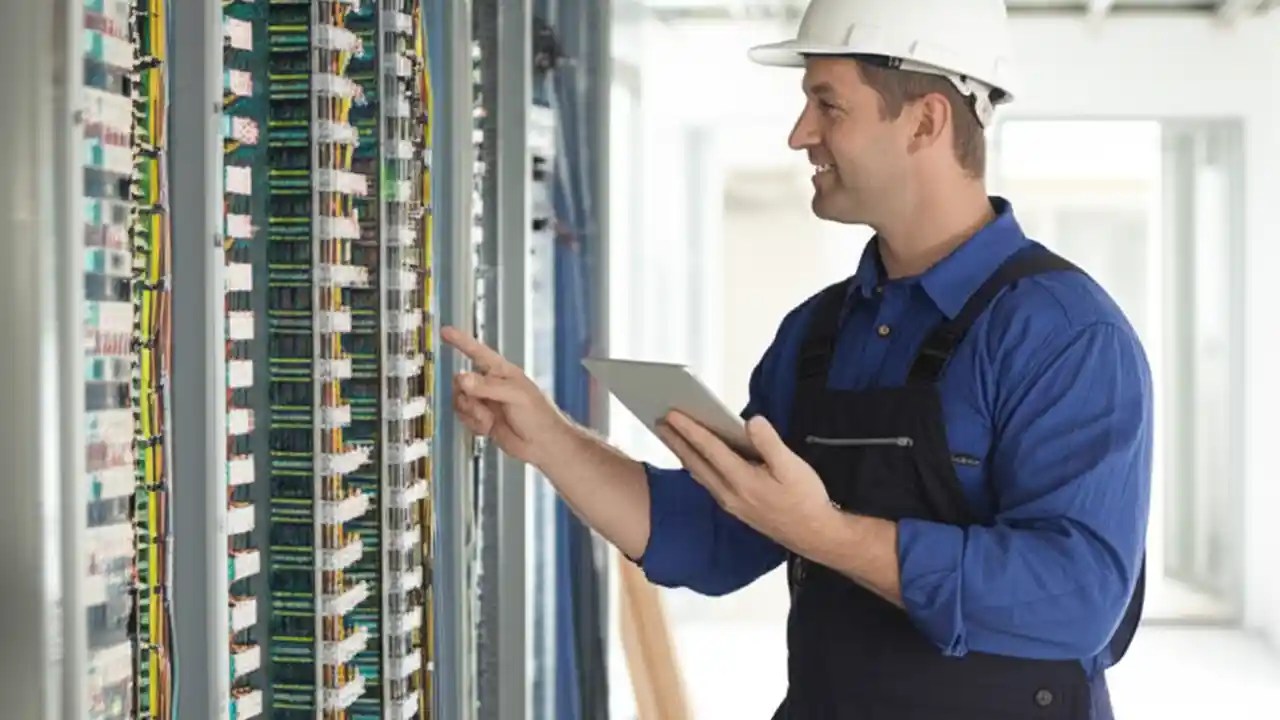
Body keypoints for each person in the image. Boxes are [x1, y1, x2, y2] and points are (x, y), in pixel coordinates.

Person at [441, 0, 1153, 717]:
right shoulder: (817, 332)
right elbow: (717, 539)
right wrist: (546, 439)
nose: (799, 134)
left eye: (827, 105)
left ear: (926, 121)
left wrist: (829, 535)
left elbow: (1078, 597)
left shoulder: (1063, 333)